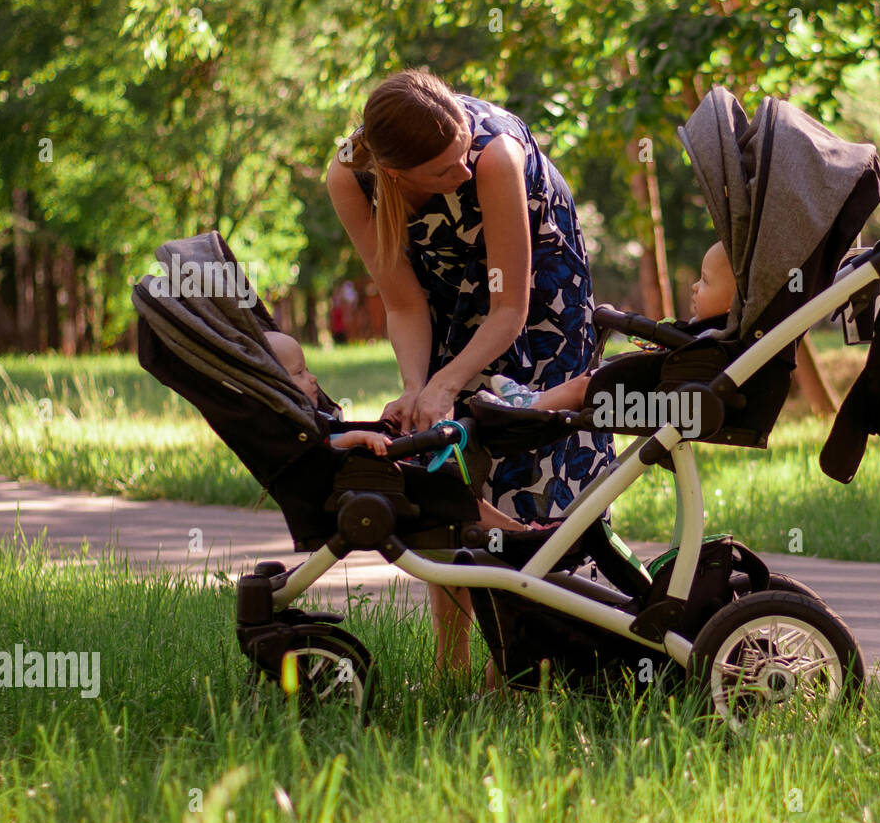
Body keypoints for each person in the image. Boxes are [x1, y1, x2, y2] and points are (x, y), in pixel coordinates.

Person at [325, 68, 614, 678]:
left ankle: (524, 661)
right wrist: (419, 387)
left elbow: (510, 308)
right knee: (447, 473)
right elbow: (403, 304)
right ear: (398, 175)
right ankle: (451, 665)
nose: (460, 170)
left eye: (462, 153)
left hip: (537, 302)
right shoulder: (351, 179)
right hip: (444, 298)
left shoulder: (492, 155)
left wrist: (449, 384)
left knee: (528, 459)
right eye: (443, 170)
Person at [263, 330, 527, 535]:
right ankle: (515, 533)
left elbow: (328, 437)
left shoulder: (306, 418)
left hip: (365, 477)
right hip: (358, 486)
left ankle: (514, 530)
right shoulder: (293, 427)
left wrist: (381, 428)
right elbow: (320, 450)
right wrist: (358, 438)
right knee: (448, 487)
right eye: (299, 372)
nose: (313, 378)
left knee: (454, 483)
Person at [484, 240, 738, 412]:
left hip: (654, 395)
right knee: (585, 380)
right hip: (654, 387)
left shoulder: (714, 340)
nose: (695, 286)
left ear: (732, 305)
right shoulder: (710, 334)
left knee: (583, 386)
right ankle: (531, 399)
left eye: (704, 281)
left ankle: (529, 406)